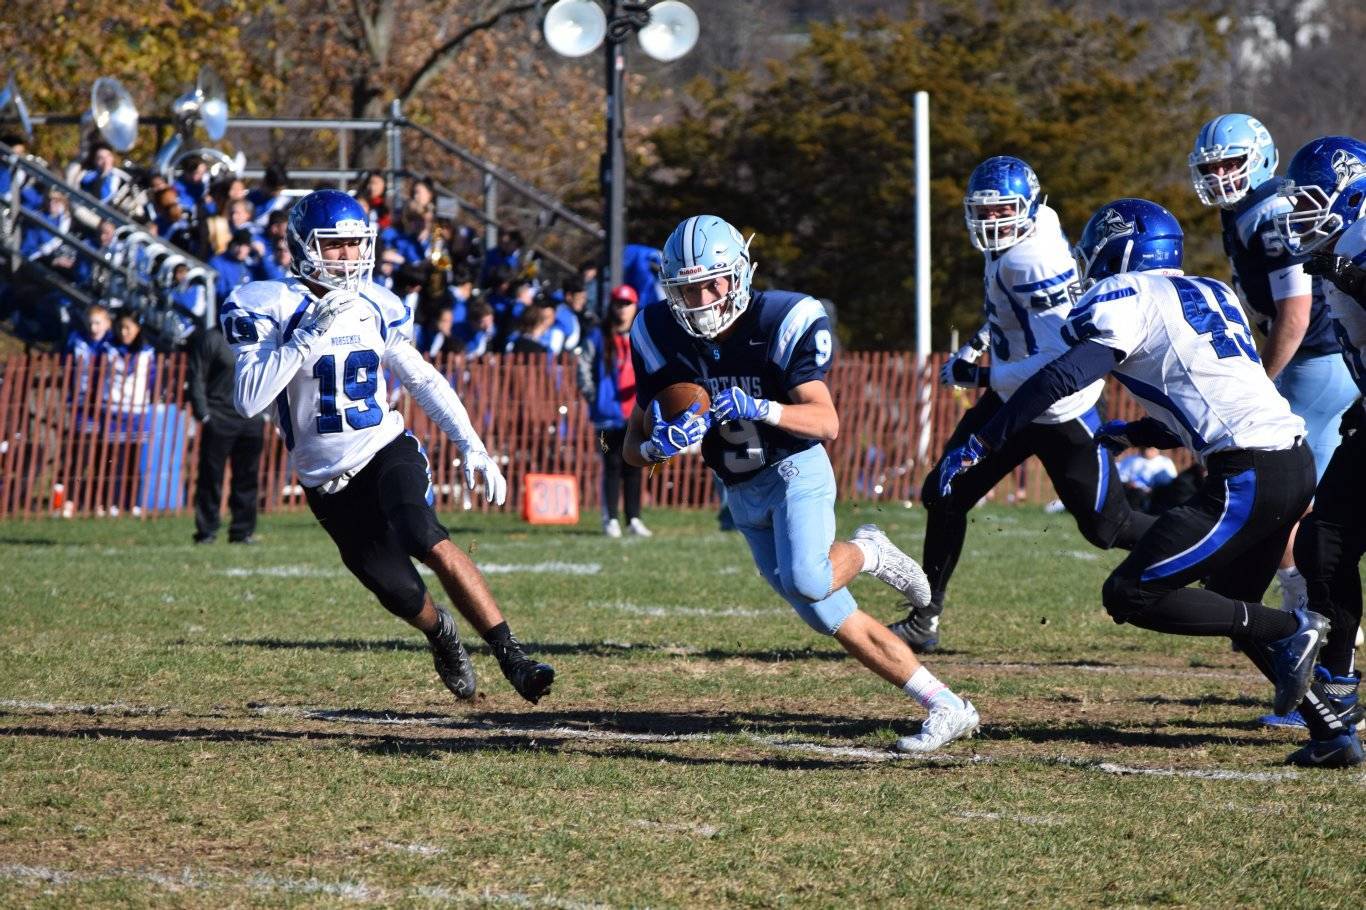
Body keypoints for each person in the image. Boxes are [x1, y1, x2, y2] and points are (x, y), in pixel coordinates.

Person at [936, 197, 1329, 737]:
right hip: (1291, 461)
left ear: (1120, 250)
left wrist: (982, 440)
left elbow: (1059, 379)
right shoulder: (1212, 291)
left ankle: (1293, 627)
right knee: (1233, 607)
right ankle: (1332, 728)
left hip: (1250, 473)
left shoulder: (1128, 295)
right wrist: (1136, 432)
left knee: (1130, 595)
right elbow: (1213, 393)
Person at [623, 214, 977, 752]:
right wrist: (658, 444)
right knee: (827, 615)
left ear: (738, 274)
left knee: (811, 579)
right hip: (740, 492)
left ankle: (868, 549)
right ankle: (947, 705)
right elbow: (630, 444)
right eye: (686, 288)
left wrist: (761, 407)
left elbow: (826, 422)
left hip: (795, 472)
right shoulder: (658, 331)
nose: (699, 299)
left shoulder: (782, 317)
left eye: (710, 283)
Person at [221, 189, 553, 704]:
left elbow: (421, 379)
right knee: (397, 591)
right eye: (335, 246)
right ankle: (441, 632)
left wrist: (471, 445)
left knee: (424, 533)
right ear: (302, 246)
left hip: (384, 448)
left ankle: (514, 656)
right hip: (325, 481)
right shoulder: (269, 304)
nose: (350, 257)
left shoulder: (376, 304)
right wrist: (307, 336)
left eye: (357, 244)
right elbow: (248, 399)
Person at [892, 157, 1152, 653]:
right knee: (945, 491)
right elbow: (1013, 314)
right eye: (984, 212)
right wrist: (979, 344)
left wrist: (982, 373)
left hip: (1058, 406)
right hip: (1012, 398)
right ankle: (924, 618)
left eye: (1003, 212)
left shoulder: (1030, 260)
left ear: (1029, 208)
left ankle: (1216, 552)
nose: (992, 223)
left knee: (1107, 528)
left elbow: (1058, 358)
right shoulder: (1023, 239)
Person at [1189, 114, 1357, 636]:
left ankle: (1309, 609)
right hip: (1315, 362)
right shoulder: (1248, 209)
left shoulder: (1274, 213)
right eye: (1212, 167)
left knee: (1289, 492)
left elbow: (1295, 312)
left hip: (1316, 362)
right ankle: (1305, 600)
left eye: (1232, 164)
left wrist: (1261, 380)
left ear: (1259, 156)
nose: (1221, 176)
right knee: (1300, 495)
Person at [1267, 135, 1366, 765]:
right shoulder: (1337, 249)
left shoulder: (1353, 248)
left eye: (1310, 201)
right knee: (1323, 539)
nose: (1299, 215)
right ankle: (1338, 683)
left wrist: (1351, 273)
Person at [577, 284, 650, 538]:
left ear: (635, 306)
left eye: (627, 303)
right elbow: (583, 367)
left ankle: (634, 518)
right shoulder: (598, 336)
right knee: (611, 464)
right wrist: (595, 397)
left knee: (635, 464)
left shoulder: (642, 335)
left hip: (636, 413)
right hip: (606, 418)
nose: (622, 309)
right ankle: (610, 519)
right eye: (618, 303)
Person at [189, 323, 266, 544]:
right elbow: (196, 376)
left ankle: (242, 532)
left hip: (251, 419)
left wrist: (267, 412)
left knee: (248, 477)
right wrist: (203, 414)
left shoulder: (256, 335)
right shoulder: (211, 338)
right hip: (219, 417)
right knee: (211, 477)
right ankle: (206, 532)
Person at [1116, 446, 1177, 511]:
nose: (1149, 451)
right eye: (1147, 448)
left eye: (1152, 448)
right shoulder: (1131, 460)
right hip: (1134, 495)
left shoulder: (1165, 462)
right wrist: (1129, 484)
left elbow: (1172, 482)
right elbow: (1122, 478)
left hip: (1156, 496)